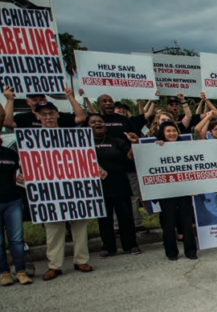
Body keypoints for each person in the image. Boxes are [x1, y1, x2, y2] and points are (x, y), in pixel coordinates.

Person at [28, 101, 95, 280]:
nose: (48, 117)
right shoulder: (31, 138)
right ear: (37, 117)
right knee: (53, 229)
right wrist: (22, 175)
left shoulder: (73, 136)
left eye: (51, 113)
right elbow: (28, 163)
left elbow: (86, 156)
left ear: (57, 114)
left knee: (80, 225)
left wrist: (96, 168)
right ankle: (54, 265)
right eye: (43, 114)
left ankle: (81, 260)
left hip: (74, 188)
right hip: (49, 191)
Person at [88, 114, 143, 258]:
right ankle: (108, 247)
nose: (97, 124)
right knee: (104, 219)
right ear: (87, 127)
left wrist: (134, 143)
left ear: (105, 126)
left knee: (126, 216)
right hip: (98, 188)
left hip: (120, 185)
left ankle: (131, 244)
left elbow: (130, 156)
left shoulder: (117, 141)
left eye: (100, 121)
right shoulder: (84, 145)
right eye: (93, 122)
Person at [154, 121, 198, 261]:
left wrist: (195, 185)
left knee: (186, 222)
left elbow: (192, 166)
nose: (172, 133)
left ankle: (191, 250)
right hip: (166, 192)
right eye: (168, 131)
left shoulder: (185, 147)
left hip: (184, 190)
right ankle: (171, 252)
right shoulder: (155, 147)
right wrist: (157, 148)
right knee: (169, 222)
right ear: (163, 133)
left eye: (174, 131)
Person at [0, 123, 31, 285]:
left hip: (12, 201)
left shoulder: (10, 154)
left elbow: (14, 177)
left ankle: (20, 271)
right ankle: (4, 273)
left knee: (17, 239)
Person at [3, 86, 87, 129]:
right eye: (34, 99)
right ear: (27, 102)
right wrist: (10, 100)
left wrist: (70, 97)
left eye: (41, 99)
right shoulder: (22, 118)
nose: (48, 117)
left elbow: (81, 117)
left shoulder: (60, 116)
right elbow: (7, 122)